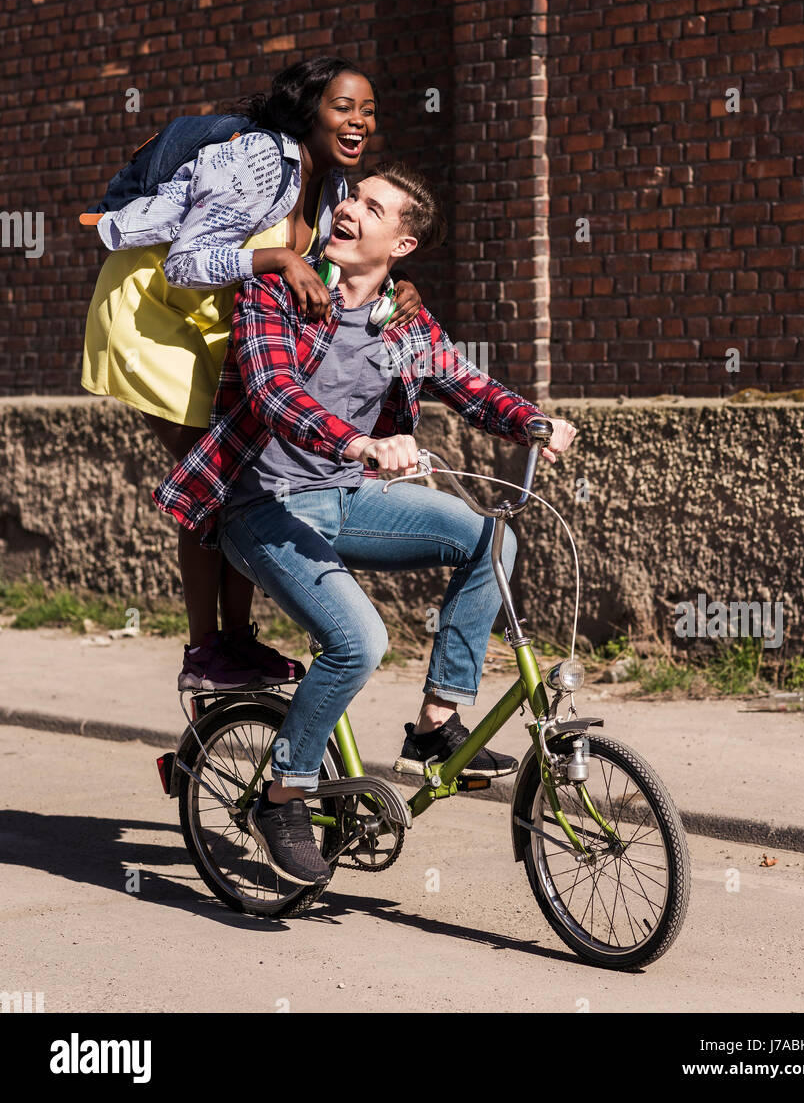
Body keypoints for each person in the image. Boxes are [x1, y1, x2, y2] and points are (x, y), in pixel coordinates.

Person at [153, 161, 577, 886]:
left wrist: (532, 421)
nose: (348, 210)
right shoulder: (273, 292)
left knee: (492, 539)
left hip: (349, 500)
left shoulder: (400, 319)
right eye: (351, 198)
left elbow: (465, 384)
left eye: (372, 209)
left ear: (401, 246)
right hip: (262, 503)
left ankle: (436, 724)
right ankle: (284, 792)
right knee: (359, 641)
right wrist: (356, 442)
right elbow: (272, 391)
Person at [80, 58, 421, 691]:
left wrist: (401, 292)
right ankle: (207, 648)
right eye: (343, 107)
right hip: (154, 313)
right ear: (308, 112)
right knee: (219, 477)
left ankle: (237, 641)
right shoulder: (261, 160)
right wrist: (278, 256)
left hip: (219, 320)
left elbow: (345, 267)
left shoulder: (338, 190)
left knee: (245, 473)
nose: (359, 122)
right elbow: (184, 262)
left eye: (368, 111)